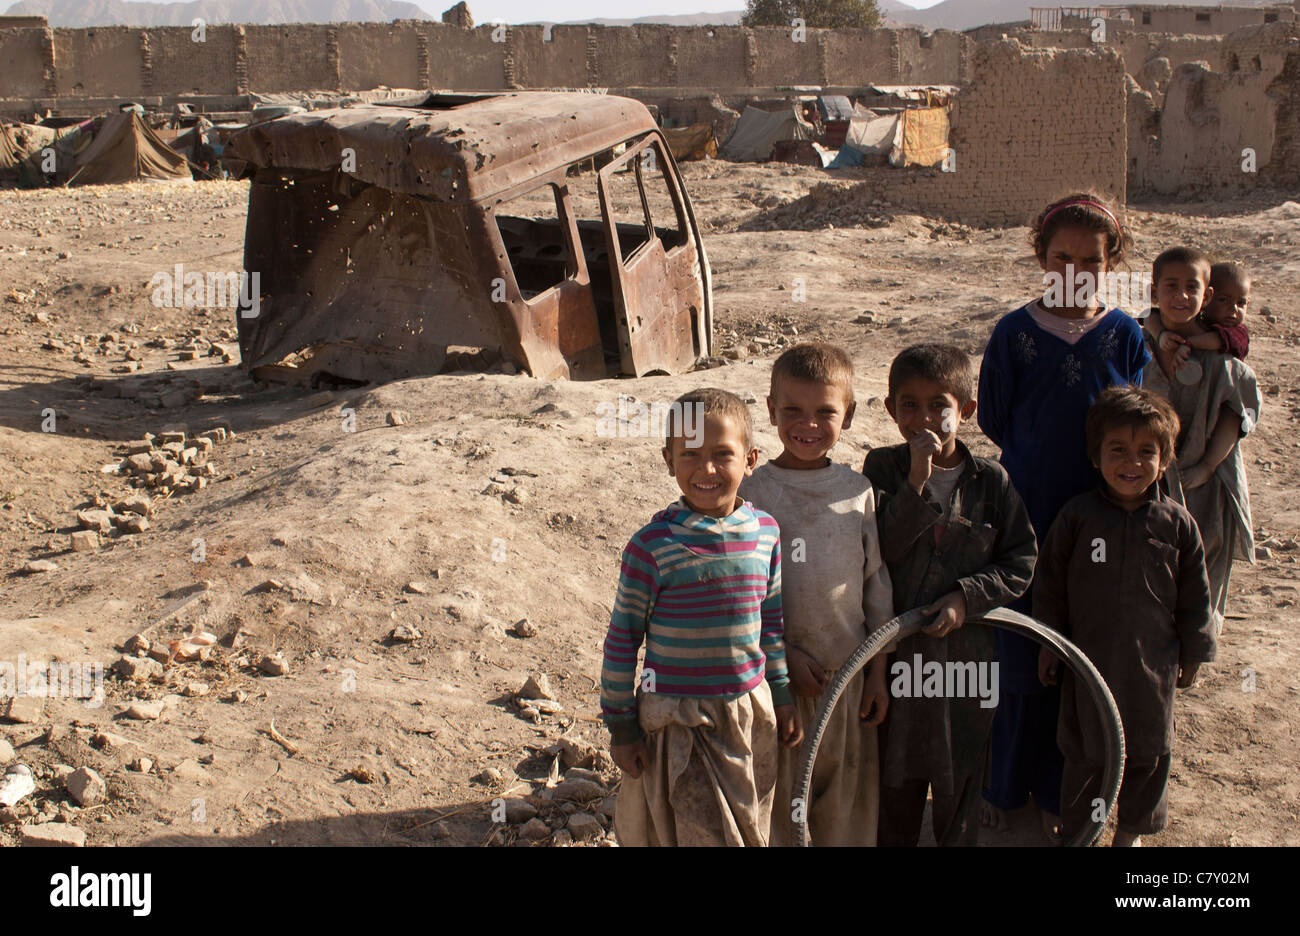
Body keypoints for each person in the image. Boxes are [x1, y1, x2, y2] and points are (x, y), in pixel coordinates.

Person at [976, 192, 1151, 837]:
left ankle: (1065, 792)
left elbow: (1133, 419)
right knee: (1021, 652)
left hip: (1099, 517)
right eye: (1061, 258)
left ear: (1113, 263)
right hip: (1027, 514)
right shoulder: (1014, 334)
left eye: (1091, 260)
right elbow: (996, 418)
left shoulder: (1125, 334)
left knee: (1082, 651)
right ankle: (1005, 787)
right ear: (1040, 257)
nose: (1075, 272)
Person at [600, 387, 802, 846]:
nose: (706, 469)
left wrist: (782, 694)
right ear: (668, 459)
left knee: (749, 825)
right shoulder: (652, 547)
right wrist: (622, 726)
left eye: (722, 454)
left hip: (747, 715)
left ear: (750, 460)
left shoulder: (766, 534)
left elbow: (771, 626)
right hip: (677, 721)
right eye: (690, 454)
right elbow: (622, 641)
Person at [864, 344, 1037, 846]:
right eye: (909, 405)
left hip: (967, 663)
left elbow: (1021, 561)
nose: (923, 418)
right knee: (894, 779)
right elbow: (879, 549)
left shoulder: (992, 482)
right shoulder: (882, 469)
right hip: (897, 661)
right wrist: (916, 483)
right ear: (891, 409)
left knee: (961, 777)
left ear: (966, 411)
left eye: (938, 405)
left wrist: (967, 597)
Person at [1036, 386, 1215, 846]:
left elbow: (1196, 597)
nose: (1132, 463)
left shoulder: (1177, 524)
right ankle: (1083, 830)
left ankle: (1130, 834)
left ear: (1165, 459)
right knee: (1084, 752)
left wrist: (1195, 653)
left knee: (1149, 752)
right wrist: (1048, 646)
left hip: (1152, 669)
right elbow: (1050, 586)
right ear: (1095, 457)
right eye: (1117, 450)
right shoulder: (1077, 518)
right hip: (1087, 665)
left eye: (1146, 452)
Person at [739, 343, 894, 846]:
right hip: (775, 687)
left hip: (847, 684)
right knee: (780, 805)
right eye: (792, 410)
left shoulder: (858, 491)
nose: (808, 424)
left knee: (845, 806)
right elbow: (738, 595)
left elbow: (875, 587)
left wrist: (877, 672)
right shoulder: (752, 494)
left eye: (825, 412)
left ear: (848, 415)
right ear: (770, 411)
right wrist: (781, 657)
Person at [1141, 248, 1261, 633]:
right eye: (1170, 287)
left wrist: (1208, 465)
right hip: (1146, 481)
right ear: (1154, 291)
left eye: (1191, 288)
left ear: (1205, 296)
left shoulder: (1226, 357)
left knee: (1205, 570)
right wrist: (1162, 336)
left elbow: (1237, 416)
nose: (1181, 296)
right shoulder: (1139, 345)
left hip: (1206, 485)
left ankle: (1195, 648)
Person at [1150, 259, 1250, 362]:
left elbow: (1218, 339)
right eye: (1223, 300)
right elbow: (1150, 316)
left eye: (1241, 303)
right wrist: (1160, 334)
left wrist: (1188, 343)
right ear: (1206, 298)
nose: (1234, 308)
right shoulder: (1198, 319)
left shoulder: (1239, 332)